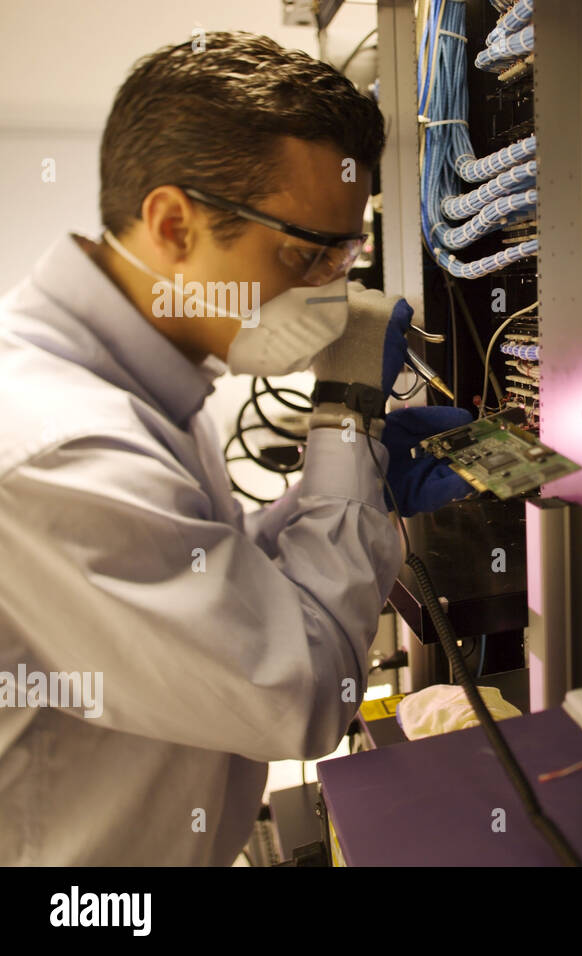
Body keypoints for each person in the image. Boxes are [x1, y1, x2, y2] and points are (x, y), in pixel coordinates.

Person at [0, 32, 471, 864]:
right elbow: (304, 697)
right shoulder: (59, 445)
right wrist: (345, 411)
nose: (332, 289)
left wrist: (342, 494)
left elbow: (201, 579)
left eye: (347, 252)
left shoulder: (136, 390)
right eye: (305, 252)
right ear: (174, 223)